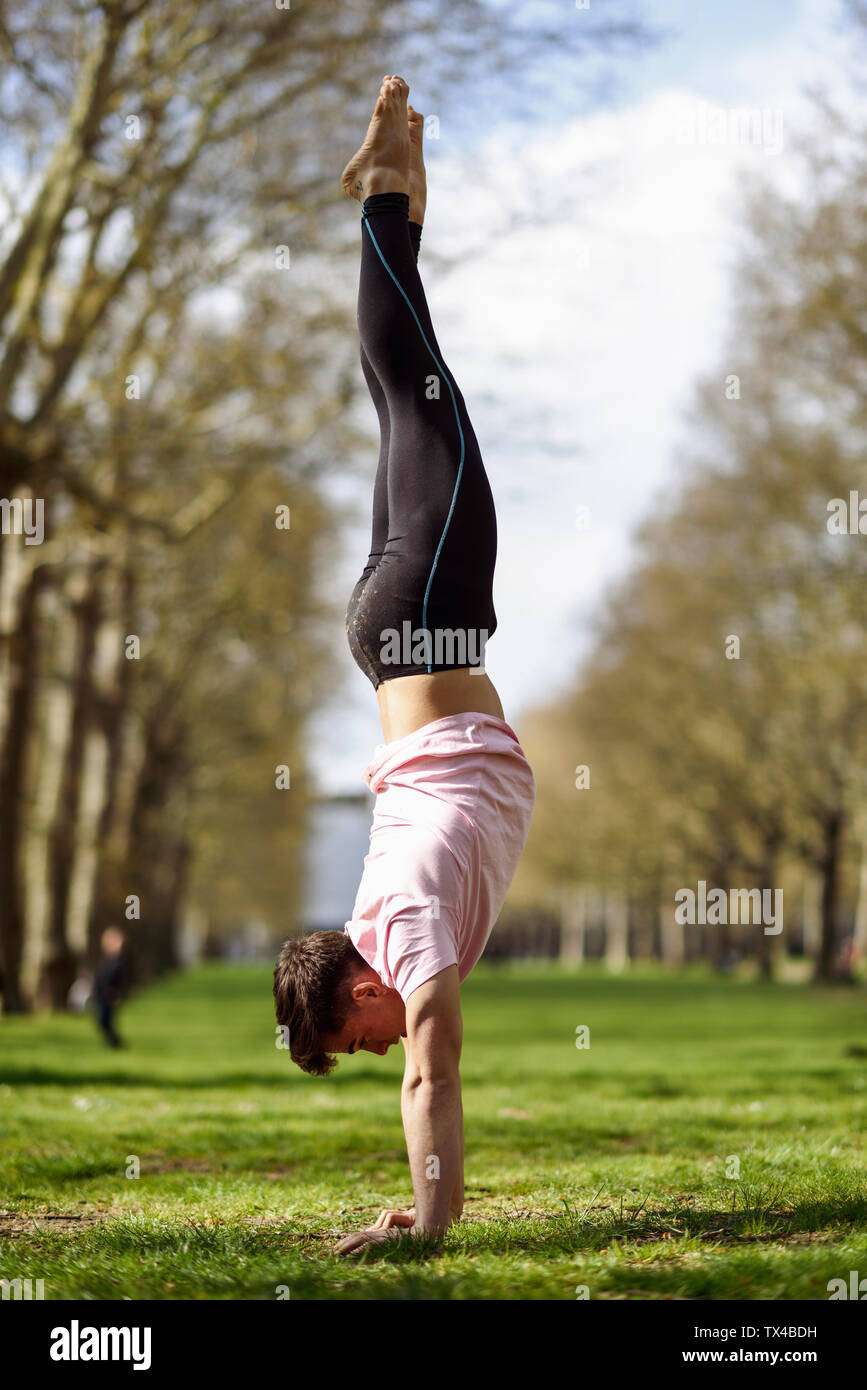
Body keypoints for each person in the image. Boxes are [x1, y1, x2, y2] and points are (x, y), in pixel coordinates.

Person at [273, 76, 536, 1256]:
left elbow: (430, 1079)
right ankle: (400, 205)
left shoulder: (410, 931)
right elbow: (412, 1076)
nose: (375, 1050)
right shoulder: (385, 927)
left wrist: (430, 1232)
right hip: (401, 628)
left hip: (425, 615)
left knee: (422, 403)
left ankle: (382, 196)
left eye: (351, 1037)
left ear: (358, 987)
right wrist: (422, 1201)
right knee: (408, 407)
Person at [93, 926, 128, 1048]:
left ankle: (116, 1043)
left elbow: (121, 980)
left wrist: (118, 993)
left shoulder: (119, 961)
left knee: (107, 1020)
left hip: (110, 995)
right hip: (100, 994)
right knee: (101, 1020)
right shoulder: (105, 959)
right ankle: (113, 1042)